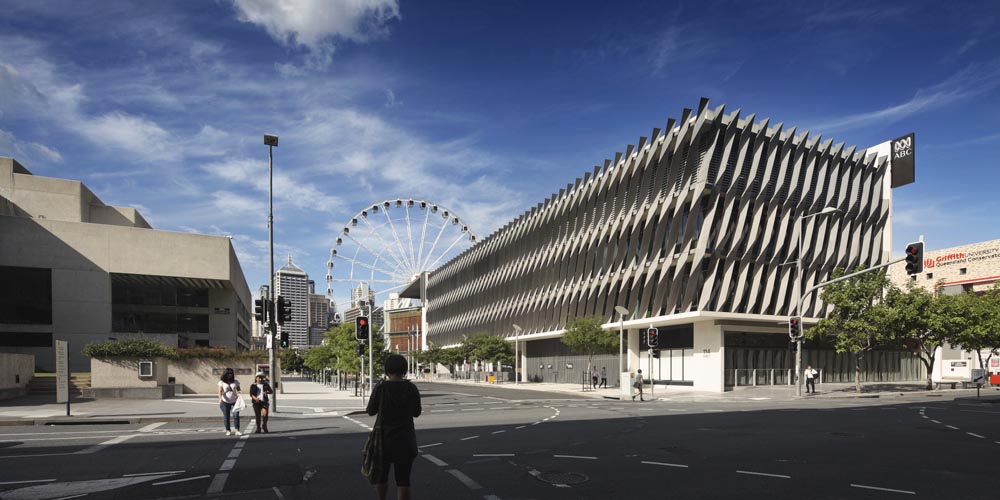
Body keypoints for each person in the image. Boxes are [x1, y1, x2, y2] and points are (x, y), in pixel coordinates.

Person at [367, 354, 422, 500]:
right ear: (404, 370)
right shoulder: (411, 388)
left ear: (387, 370)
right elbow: (417, 413)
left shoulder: (381, 388)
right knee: (403, 480)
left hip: (384, 441)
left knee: (381, 477)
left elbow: (370, 411)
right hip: (405, 439)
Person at [217, 368, 242, 436]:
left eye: (231, 374)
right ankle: (228, 430)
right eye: (228, 374)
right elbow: (220, 391)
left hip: (235, 402)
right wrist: (220, 400)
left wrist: (240, 392)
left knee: (236, 415)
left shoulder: (235, 381)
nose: (230, 375)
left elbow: (239, 389)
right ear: (225, 374)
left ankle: (237, 430)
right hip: (224, 402)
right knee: (226, 417)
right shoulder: (221, 382)